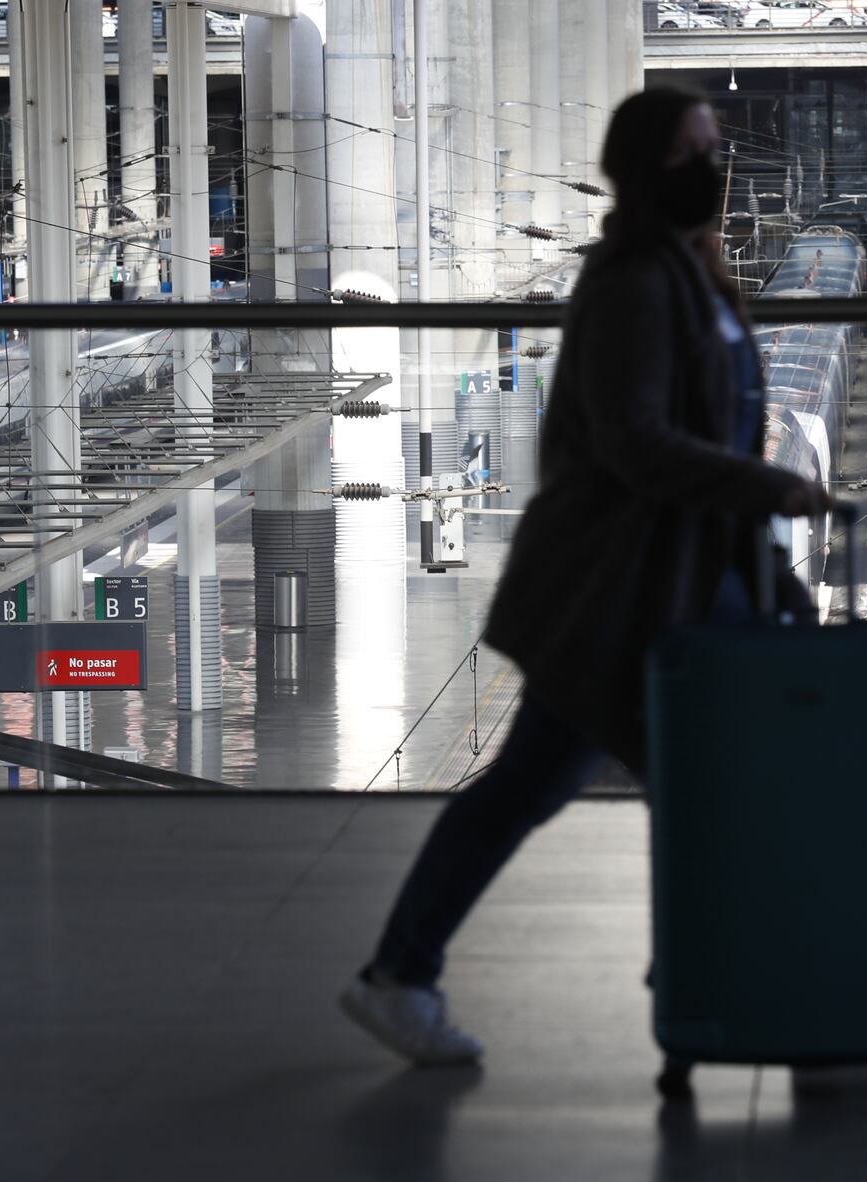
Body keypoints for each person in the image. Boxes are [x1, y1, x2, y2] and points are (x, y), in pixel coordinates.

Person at [339, 88, 831, 1067]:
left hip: (671, 584)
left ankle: (697, 978)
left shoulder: (687, 273)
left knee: (657, 789)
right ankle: (416, 974)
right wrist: (769, 487)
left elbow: (708, 436)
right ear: (642, 168)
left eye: (714, 148)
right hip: (619, 594)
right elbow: (636, 443)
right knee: (612, 789)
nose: (712, 167)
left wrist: (764, 553)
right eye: (692, 151)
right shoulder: (633, 284)